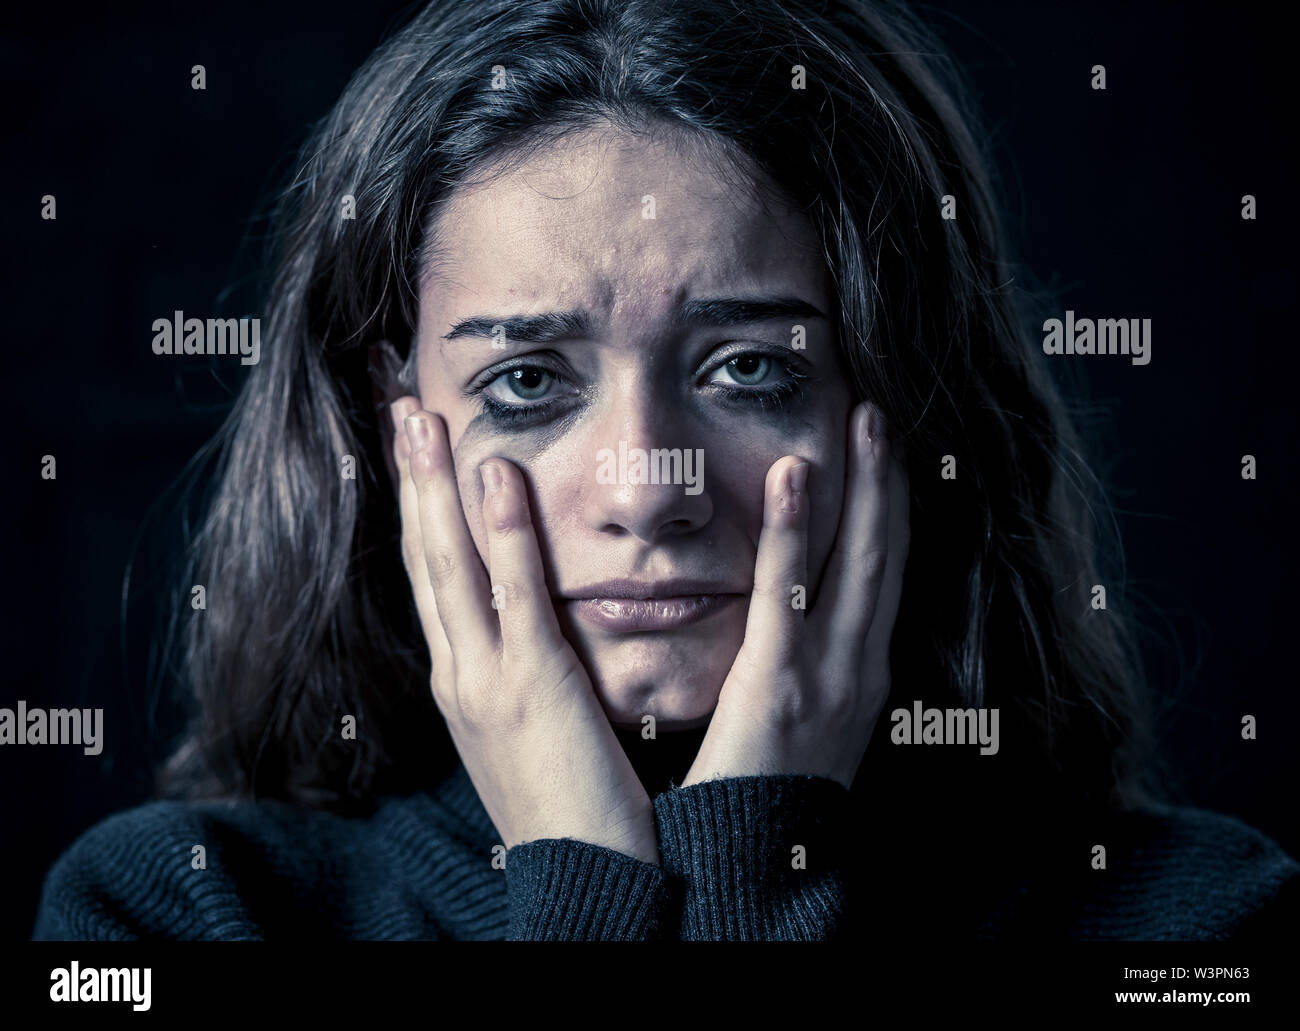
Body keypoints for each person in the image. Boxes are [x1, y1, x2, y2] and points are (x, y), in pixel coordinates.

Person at [32, 0, 1298, 941]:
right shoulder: (180, 914)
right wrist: (588, 881)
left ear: (905, 409)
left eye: (750, 369)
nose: (647, 487)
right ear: (395, 428)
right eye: (527, 381)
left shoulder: (1193, 927)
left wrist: (762, 861)